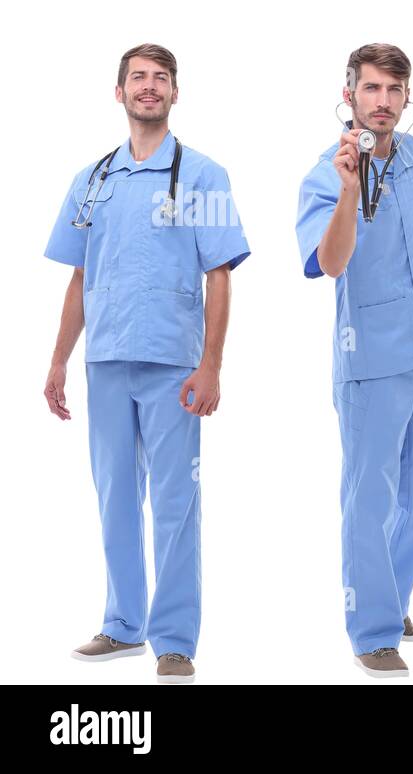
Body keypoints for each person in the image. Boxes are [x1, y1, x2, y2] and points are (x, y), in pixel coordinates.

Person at [46, 43, 251, 684]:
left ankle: (174, 640)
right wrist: (57, 363)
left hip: (172, 367)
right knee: (113, 499)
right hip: (105, 361)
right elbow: (80, 276)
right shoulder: (93, 180)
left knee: (174, 504)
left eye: (161, 78)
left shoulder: (203, 176)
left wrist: (211, 365)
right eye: (138, 77)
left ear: (174, 93)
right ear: (119, 92)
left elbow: (220, 274)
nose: (149, 87)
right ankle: (122, 625)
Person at [296, 43, 413, 679]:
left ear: (406, 97)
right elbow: (330, 263)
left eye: (394, 89)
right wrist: (345, 193)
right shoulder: (325, 172)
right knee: (369, 497)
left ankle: (392, 598)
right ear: (349, 96)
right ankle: (371, 629)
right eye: (372, 89)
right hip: (370, 362)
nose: (383, 101)